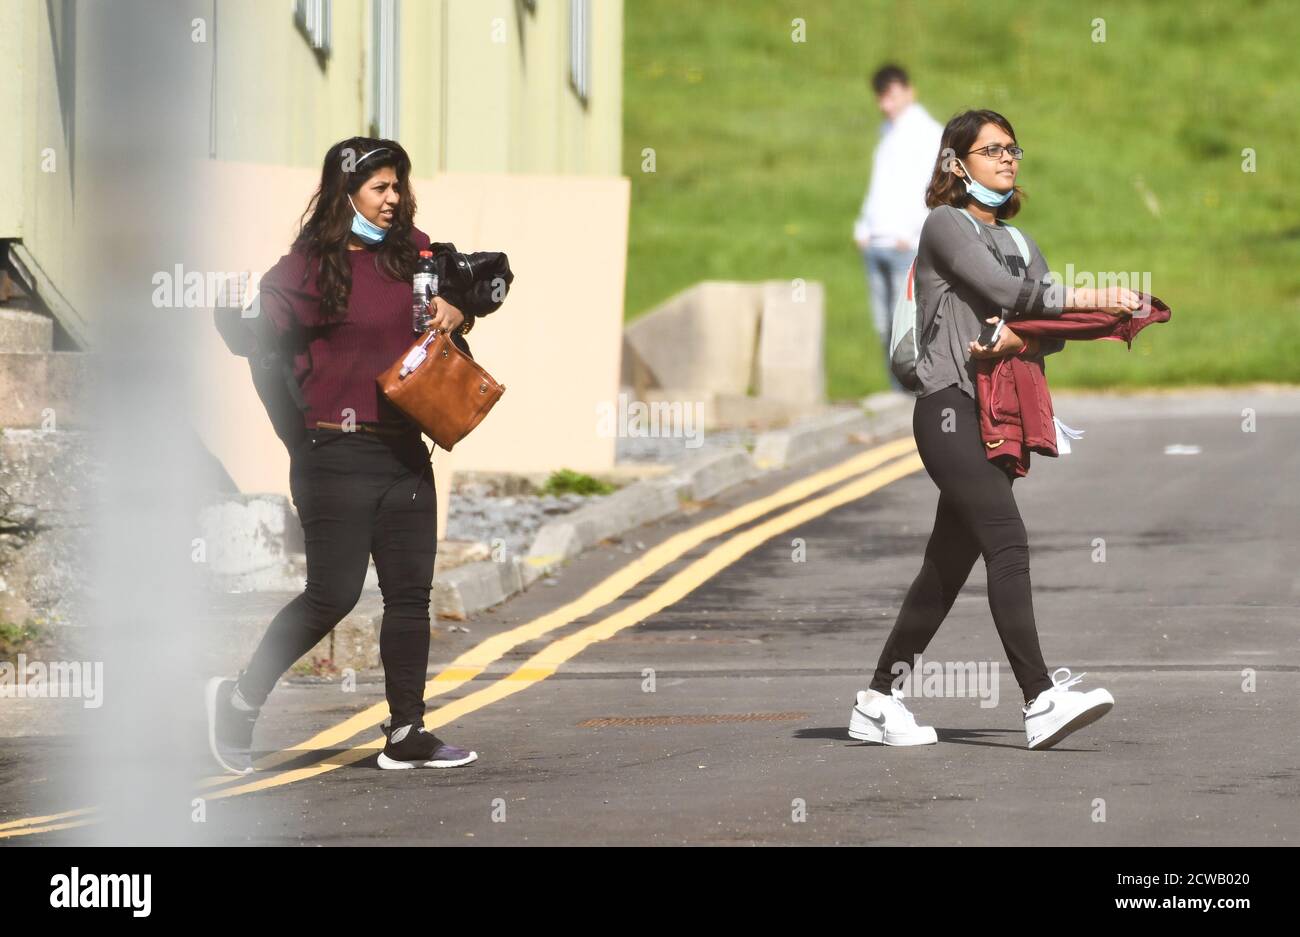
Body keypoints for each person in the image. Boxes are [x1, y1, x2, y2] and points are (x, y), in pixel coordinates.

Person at [849, 110, 1142, 750]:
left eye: (1013, 148)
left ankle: (876, 700)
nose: (1008, 159)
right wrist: (1093, 296)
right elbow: (1008, 294)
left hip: (997, 415)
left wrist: (1025, 336)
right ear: (957, 164)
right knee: (1007, 540)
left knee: (943, 570)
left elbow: (1044, 332)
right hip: (948, 409)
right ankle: (1040, 700)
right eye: (991, 150)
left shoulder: (1022, 241)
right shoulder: (944, 227)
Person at [206, 138, 479, 773]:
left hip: (406, 451)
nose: (394, 200)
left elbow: (474, 292)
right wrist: (235, 324)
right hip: (334, 450)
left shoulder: (413, 254)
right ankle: (240, 702)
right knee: (332, 594)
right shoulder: (306, 269)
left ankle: (407, 731)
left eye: (398, 188)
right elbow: (258, 328)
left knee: (411, 594)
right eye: (381, 188)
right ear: (345, 193)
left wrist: (457, 309)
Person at [853, 64, 943, 393]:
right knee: (882, 324)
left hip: (906, 243)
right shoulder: (886, 132)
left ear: (908, 91)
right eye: (881, 98)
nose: (886, 105)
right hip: (876, 239)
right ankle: (898, 390)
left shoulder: (928, 133)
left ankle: (912, 390)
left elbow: (935, 186)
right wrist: (863, 225)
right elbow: (880, 185)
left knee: (903, 323)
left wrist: (915, 230)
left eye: (891, 96)